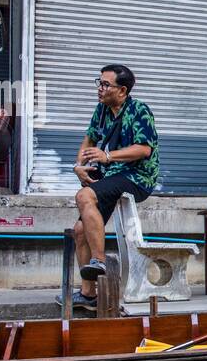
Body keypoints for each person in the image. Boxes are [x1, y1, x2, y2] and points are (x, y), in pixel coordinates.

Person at [68, 64, 159, 311]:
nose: (100, 88)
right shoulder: (102, 111)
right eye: (99, 83)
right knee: (79, 230)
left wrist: (107, 156)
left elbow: (143, 149)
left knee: (84, 195)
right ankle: (88, 294)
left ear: (122, 91)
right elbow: (88, 140)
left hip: (137, 176)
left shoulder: (139, 110)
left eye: (105, 84)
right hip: (112, 175)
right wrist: (79, 165)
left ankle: (99, 261)